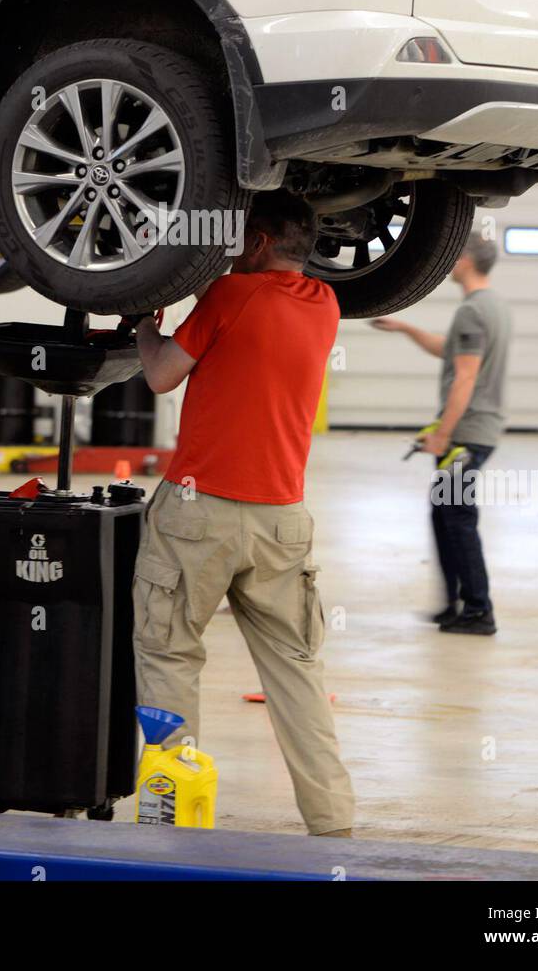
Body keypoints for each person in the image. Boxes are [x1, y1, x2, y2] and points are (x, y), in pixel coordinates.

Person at [130, 190, 355, 837]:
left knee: (171, 654)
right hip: (283, 520)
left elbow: (162, 376)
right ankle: (332, 822)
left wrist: (148, 323)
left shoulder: (231, 297)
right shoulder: (327, 305)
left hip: (199, 516)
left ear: (256, 243)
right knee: (297, 672)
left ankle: (169, 819)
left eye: (235, 239)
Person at [372, 231, 511, 637]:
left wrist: (443, 434)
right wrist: (405, 328)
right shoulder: (492, 307)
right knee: (444, 515)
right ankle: (454, 603)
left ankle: (478, 611)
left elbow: (465, 377)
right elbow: (447, 350)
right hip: (474, 431)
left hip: (465, 435)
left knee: (458, 519)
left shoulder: (473, 312)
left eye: (453, 254)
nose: (447, 260)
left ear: (466, 259)